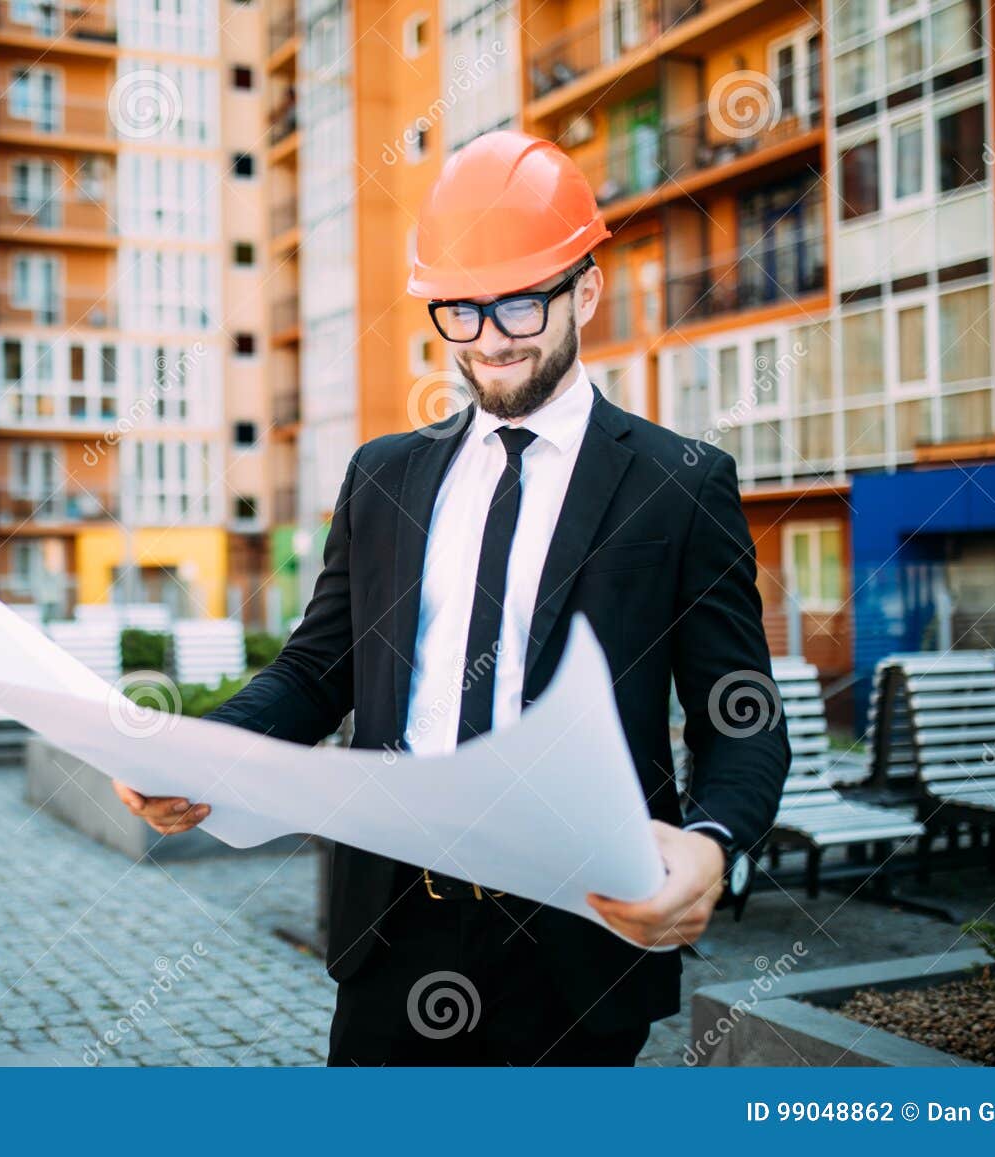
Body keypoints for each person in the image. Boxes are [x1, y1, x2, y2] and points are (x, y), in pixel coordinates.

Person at [113, 129, 789, 1066]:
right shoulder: (384, 478)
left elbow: (742, 712)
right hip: (393, 928)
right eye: (458, 313)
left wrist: (713, 842)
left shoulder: (679, 483)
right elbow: (319, 671)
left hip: (581, 943)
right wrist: (200, 750)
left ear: (585, 290)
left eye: (517, 305)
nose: (489, 340)